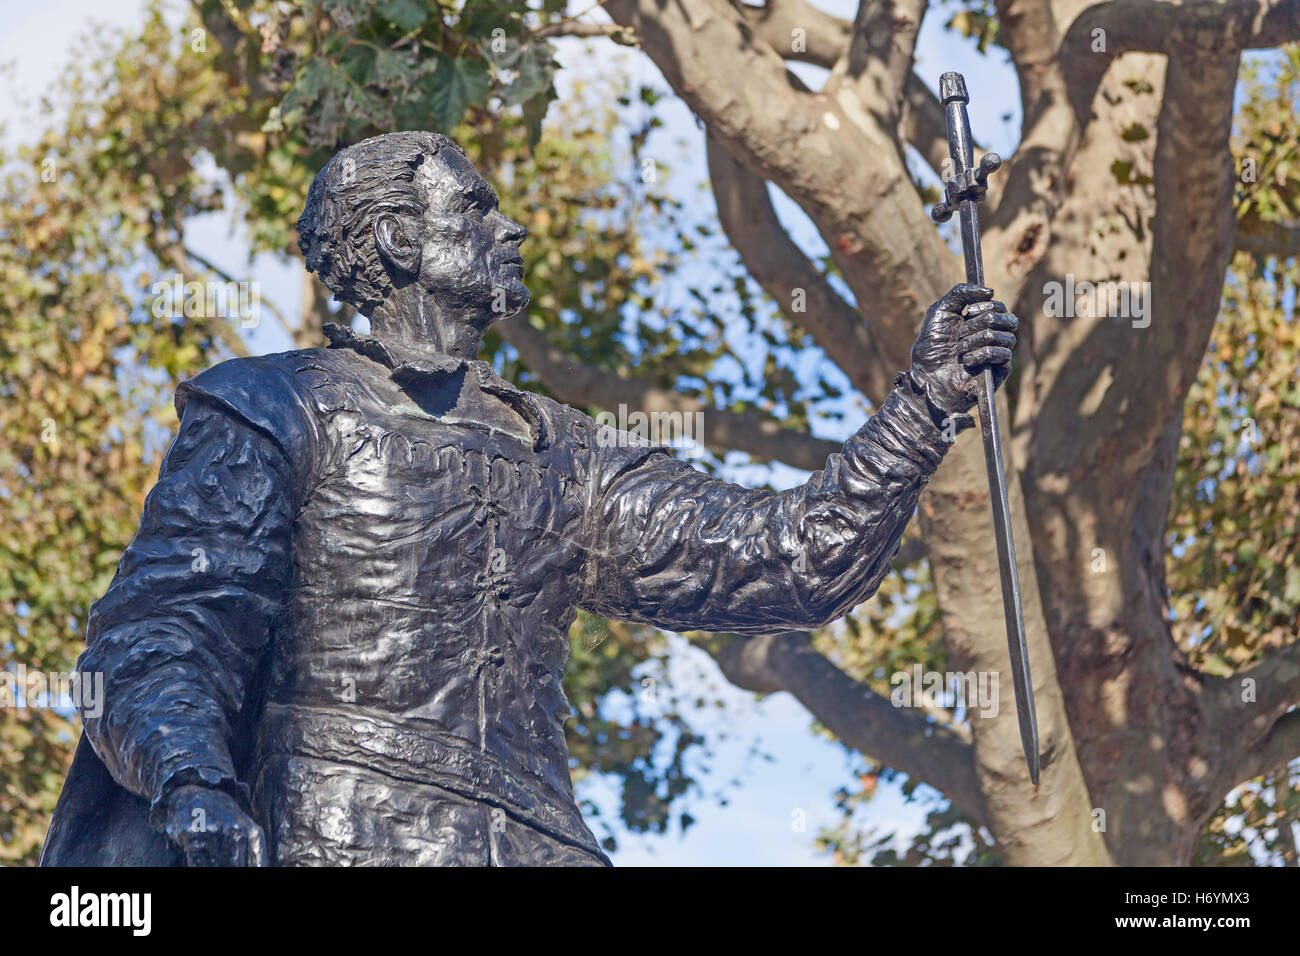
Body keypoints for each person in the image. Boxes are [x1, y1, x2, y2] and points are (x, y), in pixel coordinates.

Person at [42, 131, 1017, 866]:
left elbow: (786, 557)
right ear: (394, 236)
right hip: (343, 833)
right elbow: (162, 632)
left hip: (546, 841)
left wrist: (923, 401)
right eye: (474, 209)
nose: (509, 227)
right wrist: (197, 785)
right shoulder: (272, 404)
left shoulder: (565, 452)